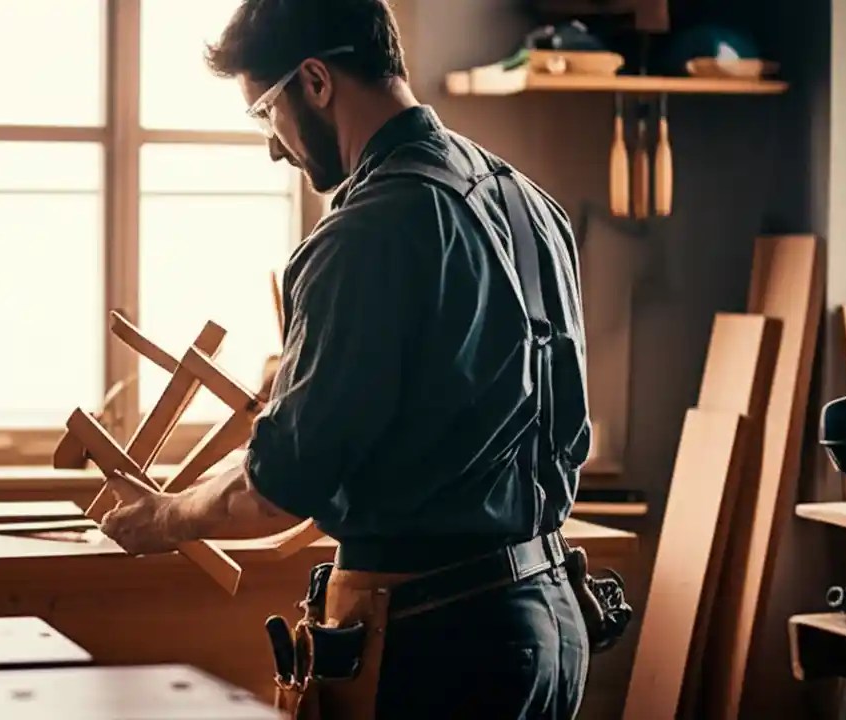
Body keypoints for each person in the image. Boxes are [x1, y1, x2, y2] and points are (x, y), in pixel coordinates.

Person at [98, 1, 594, 717]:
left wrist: (167, 516)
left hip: (440, 645)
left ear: (316, 81)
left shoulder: (365, 234)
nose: (273, 145)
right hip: (551, 619)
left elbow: (277, 489)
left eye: (265, 111)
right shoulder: (529, 204)